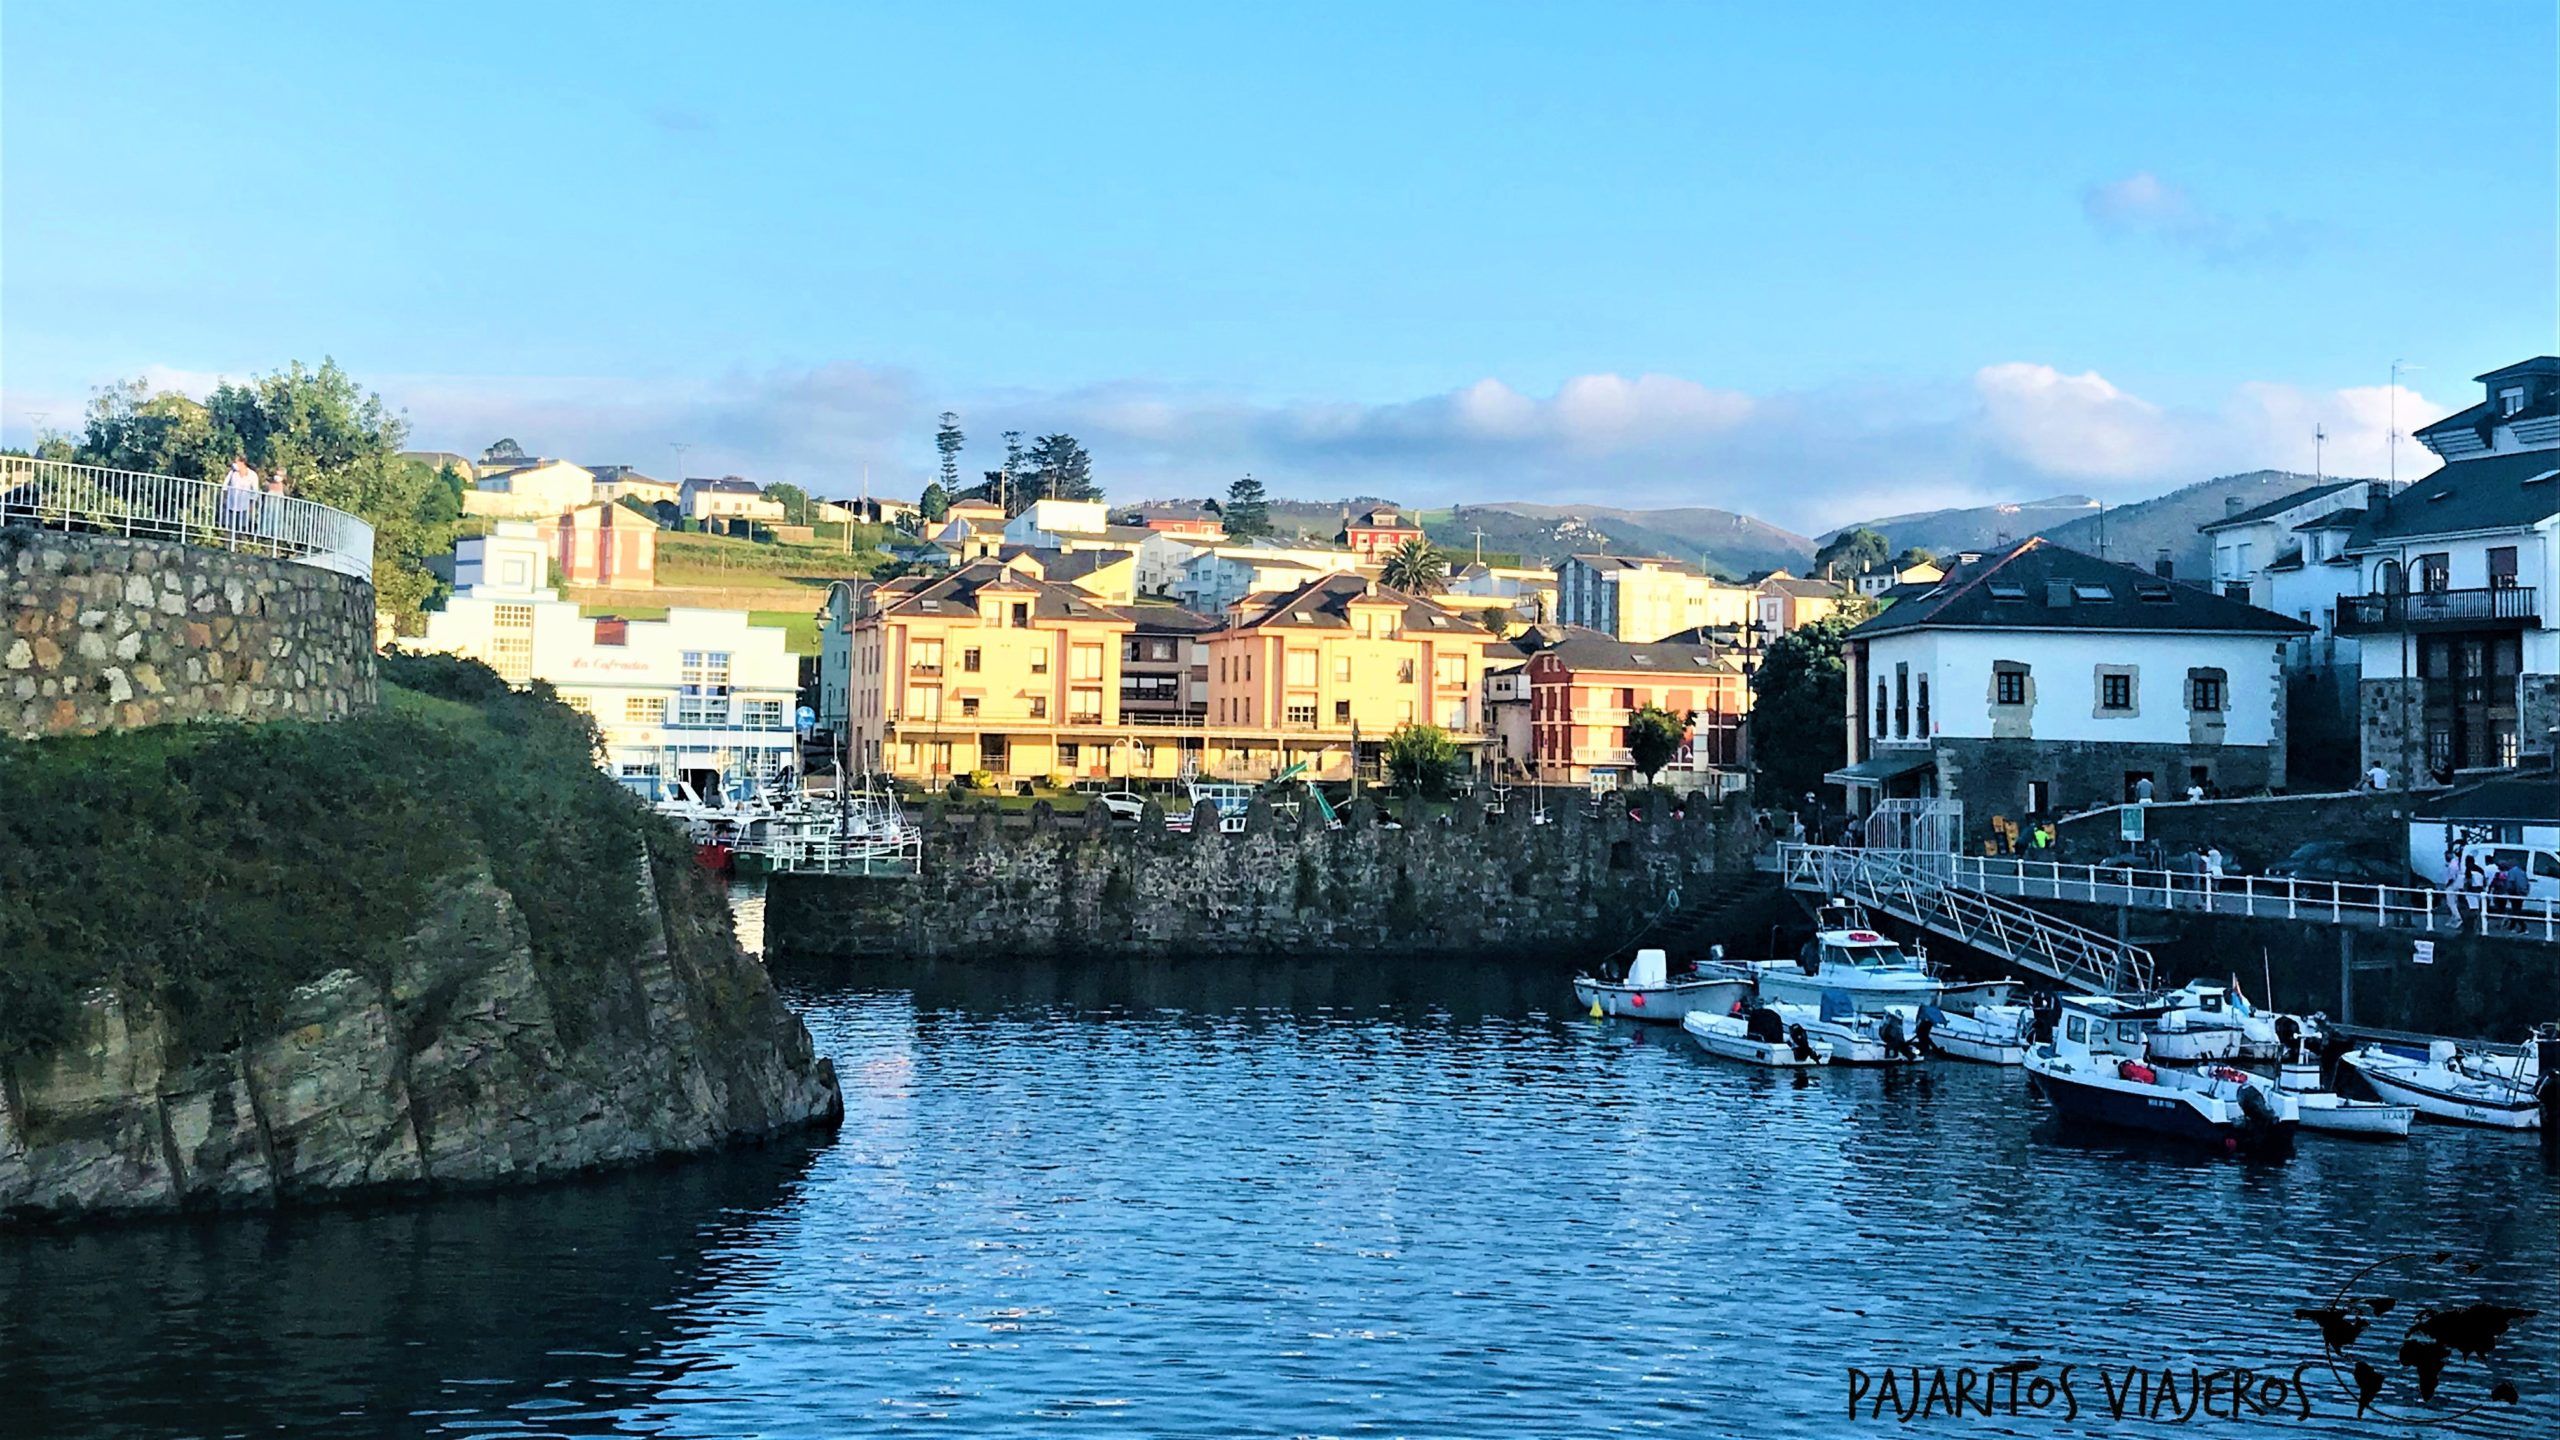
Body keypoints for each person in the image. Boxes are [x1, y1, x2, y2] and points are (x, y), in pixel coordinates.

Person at [220, 456, 259, 533]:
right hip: (231, 503)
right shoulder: (232, 473)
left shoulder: (252, 475)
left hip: (244, 505)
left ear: (242, 463)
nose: (234, 464)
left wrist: (251, 503)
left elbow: (255, 491)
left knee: (242, 527)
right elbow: (225, 485)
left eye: (236, 462)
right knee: (229, 526)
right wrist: (225, 498)